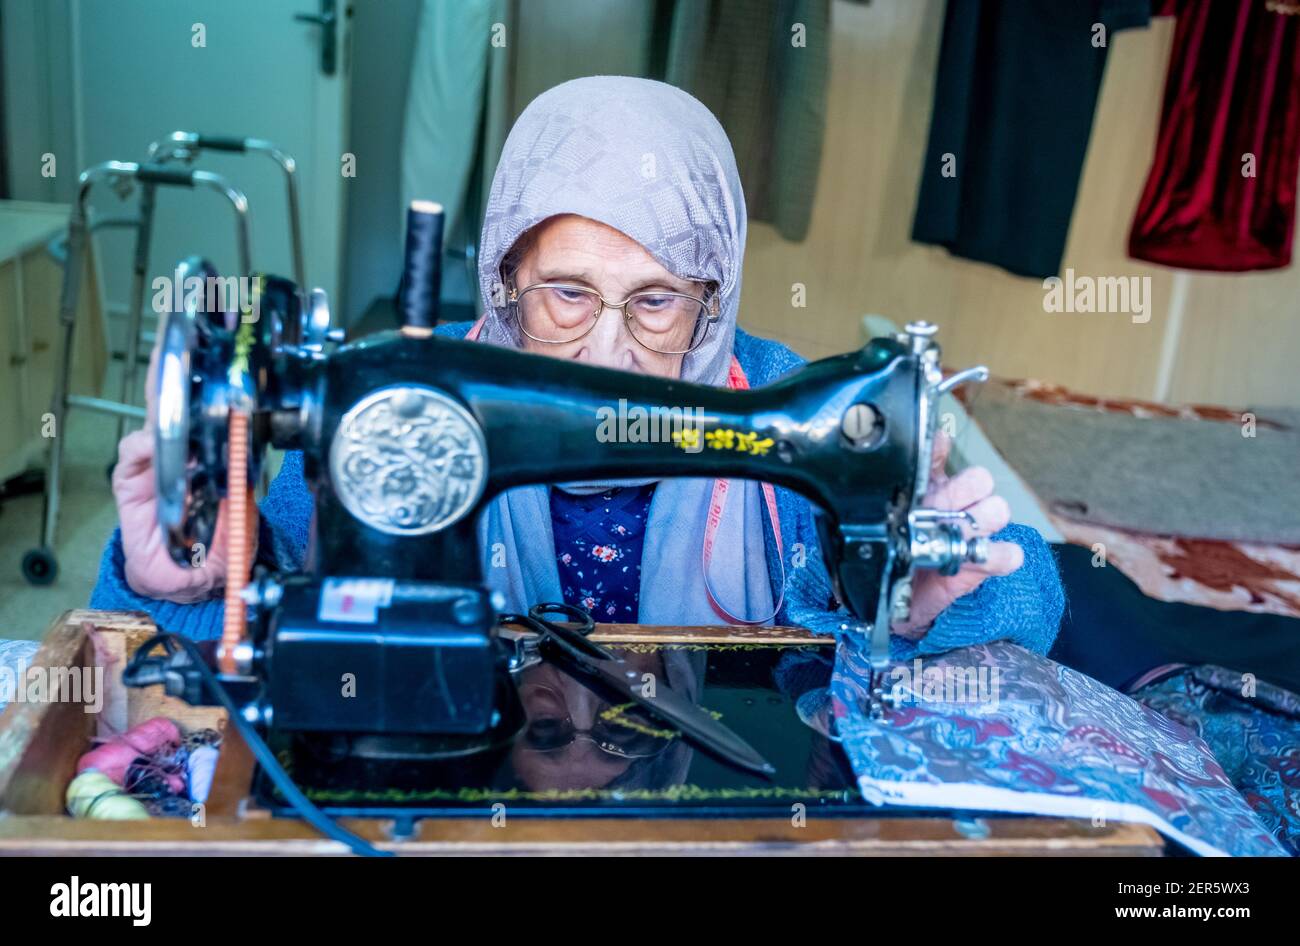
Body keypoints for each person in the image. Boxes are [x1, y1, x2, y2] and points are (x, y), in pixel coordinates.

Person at [90, 76, 1063, 660]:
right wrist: (167, 586)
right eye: (566, 293)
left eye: (654, 300)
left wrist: (935, 610)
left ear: (711, 296)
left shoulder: (796, 400)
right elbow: (170, 653)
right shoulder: (394, 410)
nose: (606, 345)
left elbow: (1037, 594)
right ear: (503, 279)